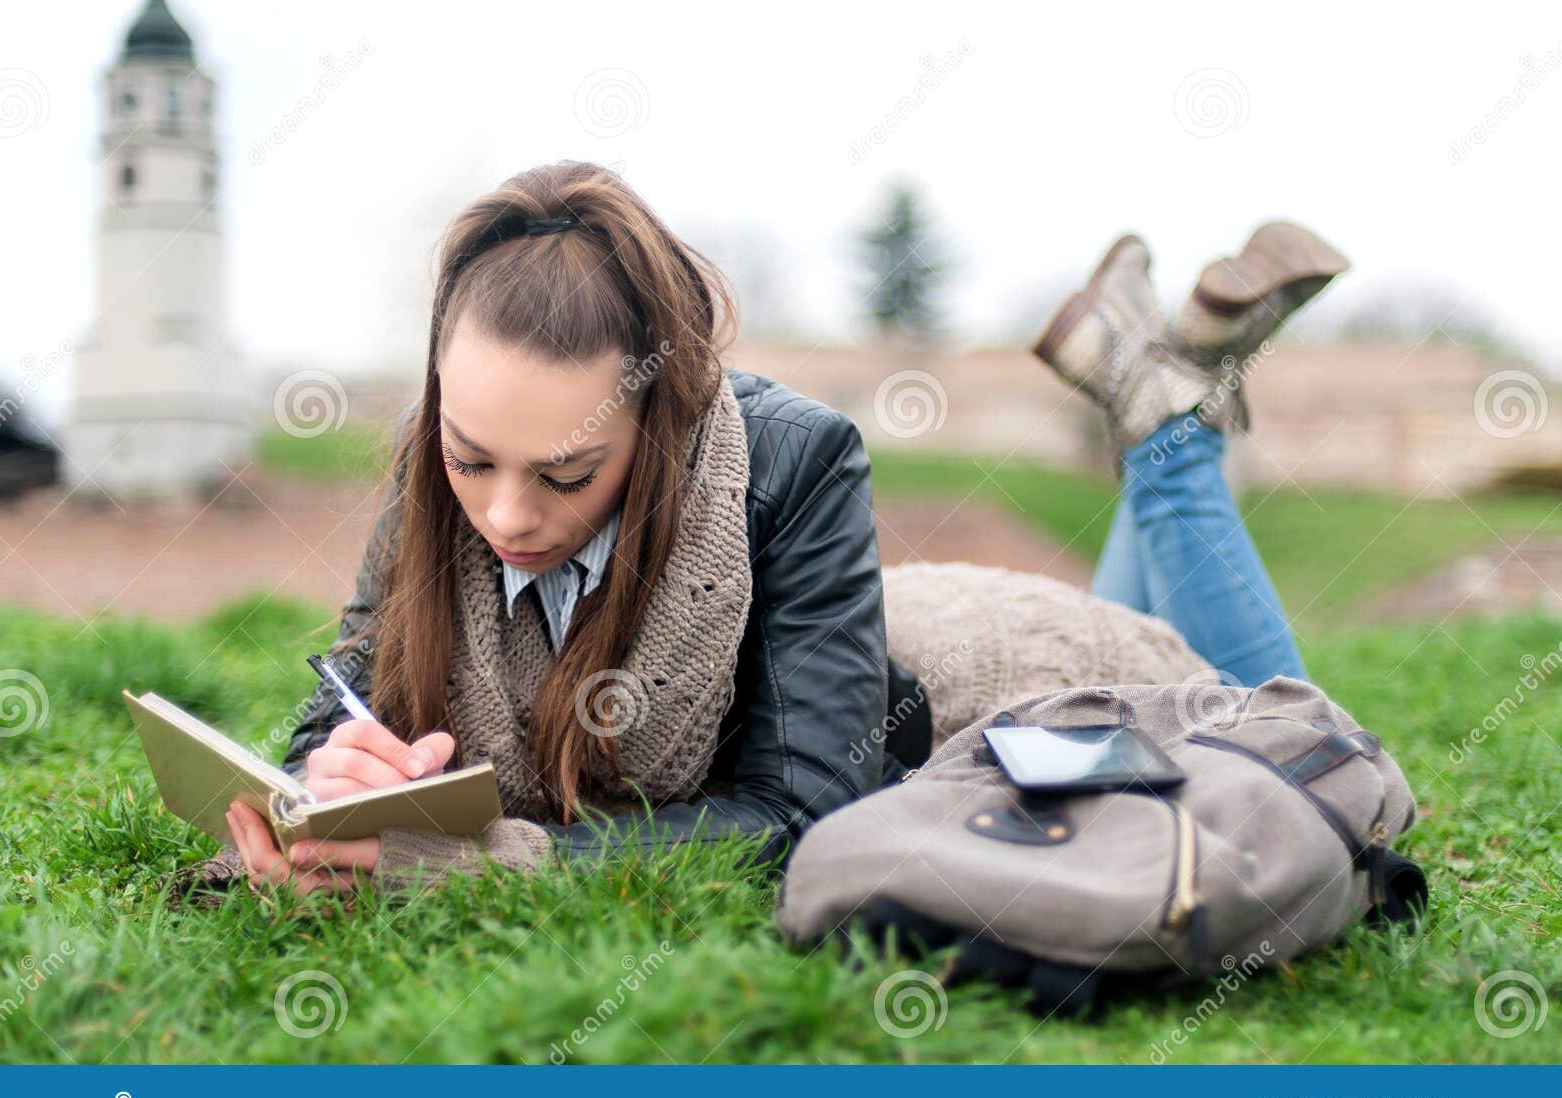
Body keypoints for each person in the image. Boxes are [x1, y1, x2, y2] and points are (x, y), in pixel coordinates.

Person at [189, 160, 1344, 900]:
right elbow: (344, 692)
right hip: (913, 627)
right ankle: (1162, 383)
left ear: (656, 417)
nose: (504, 513)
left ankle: (1165, 418)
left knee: (1315, 756)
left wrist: (492, 862)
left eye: (565, 472)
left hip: (1012, 674)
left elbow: (802, 819)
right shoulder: (435, 457)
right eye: (470, 459)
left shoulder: (795, 462)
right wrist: (322, 786)